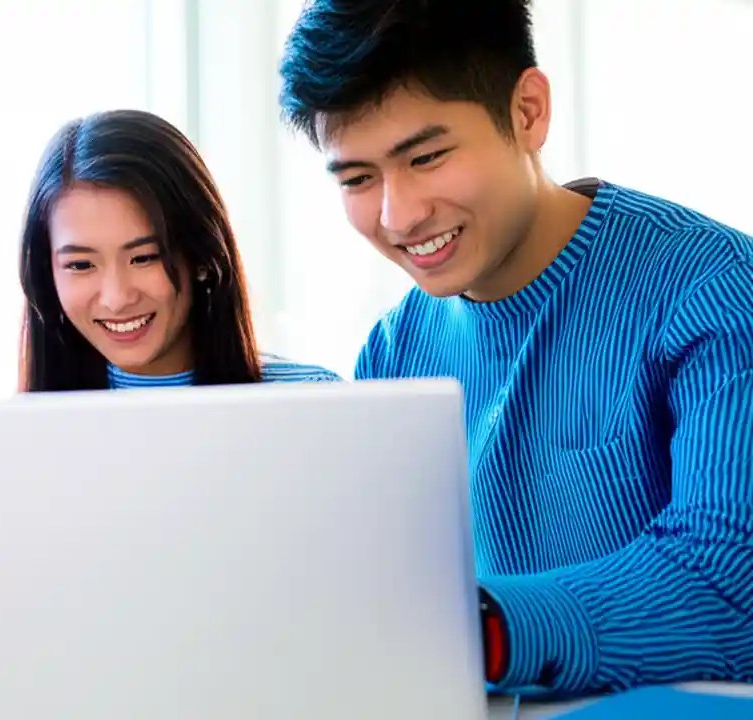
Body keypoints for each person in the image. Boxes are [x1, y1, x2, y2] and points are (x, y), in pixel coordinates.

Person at [278, 0, 753, 696]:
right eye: (357, 178)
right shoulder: (393, 350)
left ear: (528, 111)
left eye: (428, 156)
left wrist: (482, 629)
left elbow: (728, 577)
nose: (397, 215)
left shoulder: (714, 290)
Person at [18, 109, 338, 391]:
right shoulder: (17, 434)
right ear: (47, 274)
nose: (116, 299)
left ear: (202, 255)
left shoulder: (313, 400)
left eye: (144, 258)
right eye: (80, 265)